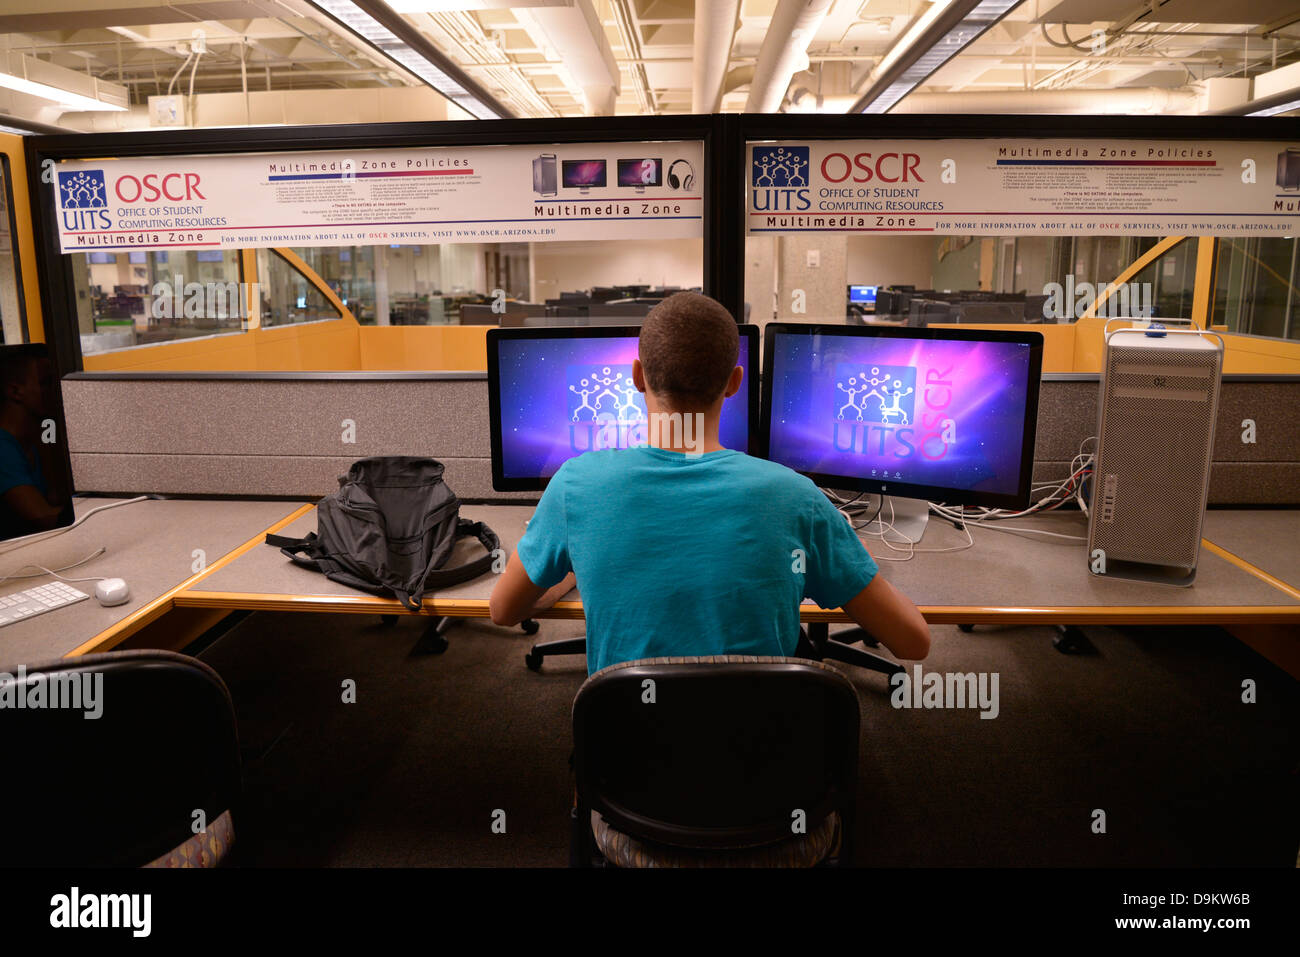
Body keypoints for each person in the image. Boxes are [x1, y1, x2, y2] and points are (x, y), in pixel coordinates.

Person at [489, 292, 929, 672]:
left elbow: (503, 610)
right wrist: (848, 552)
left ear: (637, 376)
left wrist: (571, 565)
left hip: (627, 754)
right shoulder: (796, 498)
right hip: (760, 757)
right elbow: (914, 643)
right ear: (736, 382)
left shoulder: (574, 487)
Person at [0, 350, 69, 538]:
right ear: (15, 391)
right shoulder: (3, 449)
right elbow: (43, 517)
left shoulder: (37, 435)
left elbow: (55, 495)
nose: (55, 390)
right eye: (45, 383)